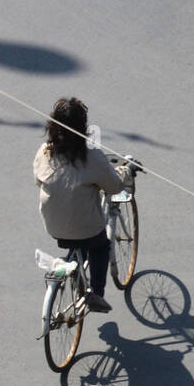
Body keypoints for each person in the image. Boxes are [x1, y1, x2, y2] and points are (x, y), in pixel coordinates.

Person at [33, 97, 129, 313]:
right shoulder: (92, 157)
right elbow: (114, 187)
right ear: (82, 128)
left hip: (54, 226)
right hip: (84, 228)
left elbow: (38, 179)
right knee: (100, 246)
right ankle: (96, 292)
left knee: (77, 232)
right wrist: (124, 172)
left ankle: (74, 266)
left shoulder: (45, 152)